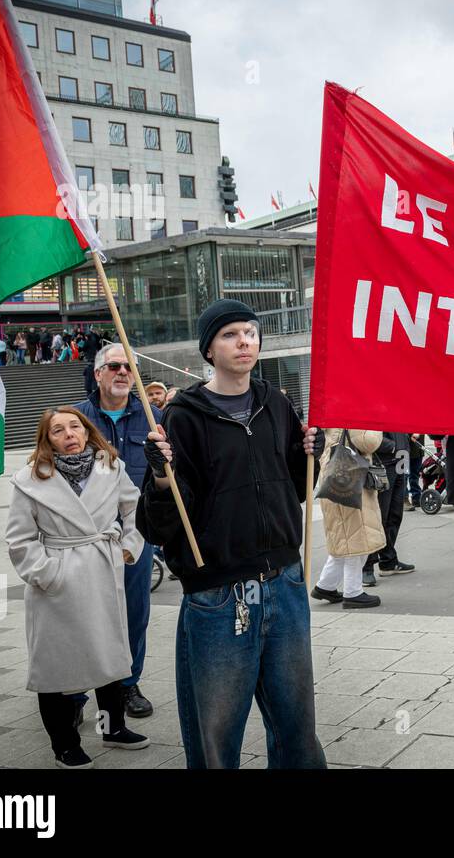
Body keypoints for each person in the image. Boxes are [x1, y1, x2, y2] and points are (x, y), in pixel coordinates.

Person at [137, 299, 325, 769]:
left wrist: (309, 455)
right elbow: (160, 524)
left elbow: (293, 492)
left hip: (286, 582)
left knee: (297, 727)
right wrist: (162, 479)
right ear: (208, 349)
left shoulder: (275, 402)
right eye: (230, 334)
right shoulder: (183, 415)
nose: (245, 341)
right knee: (216, 736)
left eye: (251, 332)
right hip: (219, 594)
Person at [5, 407, 149, 768]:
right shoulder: (31, 479)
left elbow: (135, 509)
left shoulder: (110, 467)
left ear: (86, 432)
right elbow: (19, 539)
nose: (69, 434)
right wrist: (48, 573)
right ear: (47, 440)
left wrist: (129, 546)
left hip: (101, 569)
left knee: (107, 655)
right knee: (56, 665)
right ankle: (64, 744)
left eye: (75, 426)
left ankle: (112, 729)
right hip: (57, 579)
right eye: (58, 430)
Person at [74, 343, 162, 720]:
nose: (123, 372)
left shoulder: (153, 416)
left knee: (135, 612)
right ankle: (73, 694)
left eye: (129, 367)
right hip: (84, 537)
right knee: (81, 616)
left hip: (135, 532)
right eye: (114, 366)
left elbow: (166, 476)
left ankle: (127, 685)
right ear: (98, 374)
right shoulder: (75, 418)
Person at [311, 428, 385, 609]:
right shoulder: (351, 412)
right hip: (350, 483)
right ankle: (353, 592)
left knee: (344, 538)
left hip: (335, 479)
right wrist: (377, 426)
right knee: (357, 539)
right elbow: (368, 442)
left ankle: (325, 586)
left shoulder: (330, 416)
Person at [368, 432, 414, 581]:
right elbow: (366, 436)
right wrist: (394, 446)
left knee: (395, 515)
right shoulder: (376, 408)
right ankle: (367, 566)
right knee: (379, 518)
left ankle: (388, 560)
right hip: (382, 464)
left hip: (400, 461)